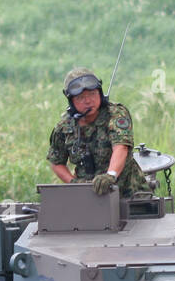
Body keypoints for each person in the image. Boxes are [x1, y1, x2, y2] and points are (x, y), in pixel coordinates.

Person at [47, 67, 149, 197]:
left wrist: (110, 175)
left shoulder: (115, 114)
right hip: (90, 199)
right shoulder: (65, 126)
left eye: (92, 94)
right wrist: (74, 183)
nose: (88, 101)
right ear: (71, 101)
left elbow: (121, 147)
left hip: (129, 196)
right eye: (81, 97)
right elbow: (56, 162)